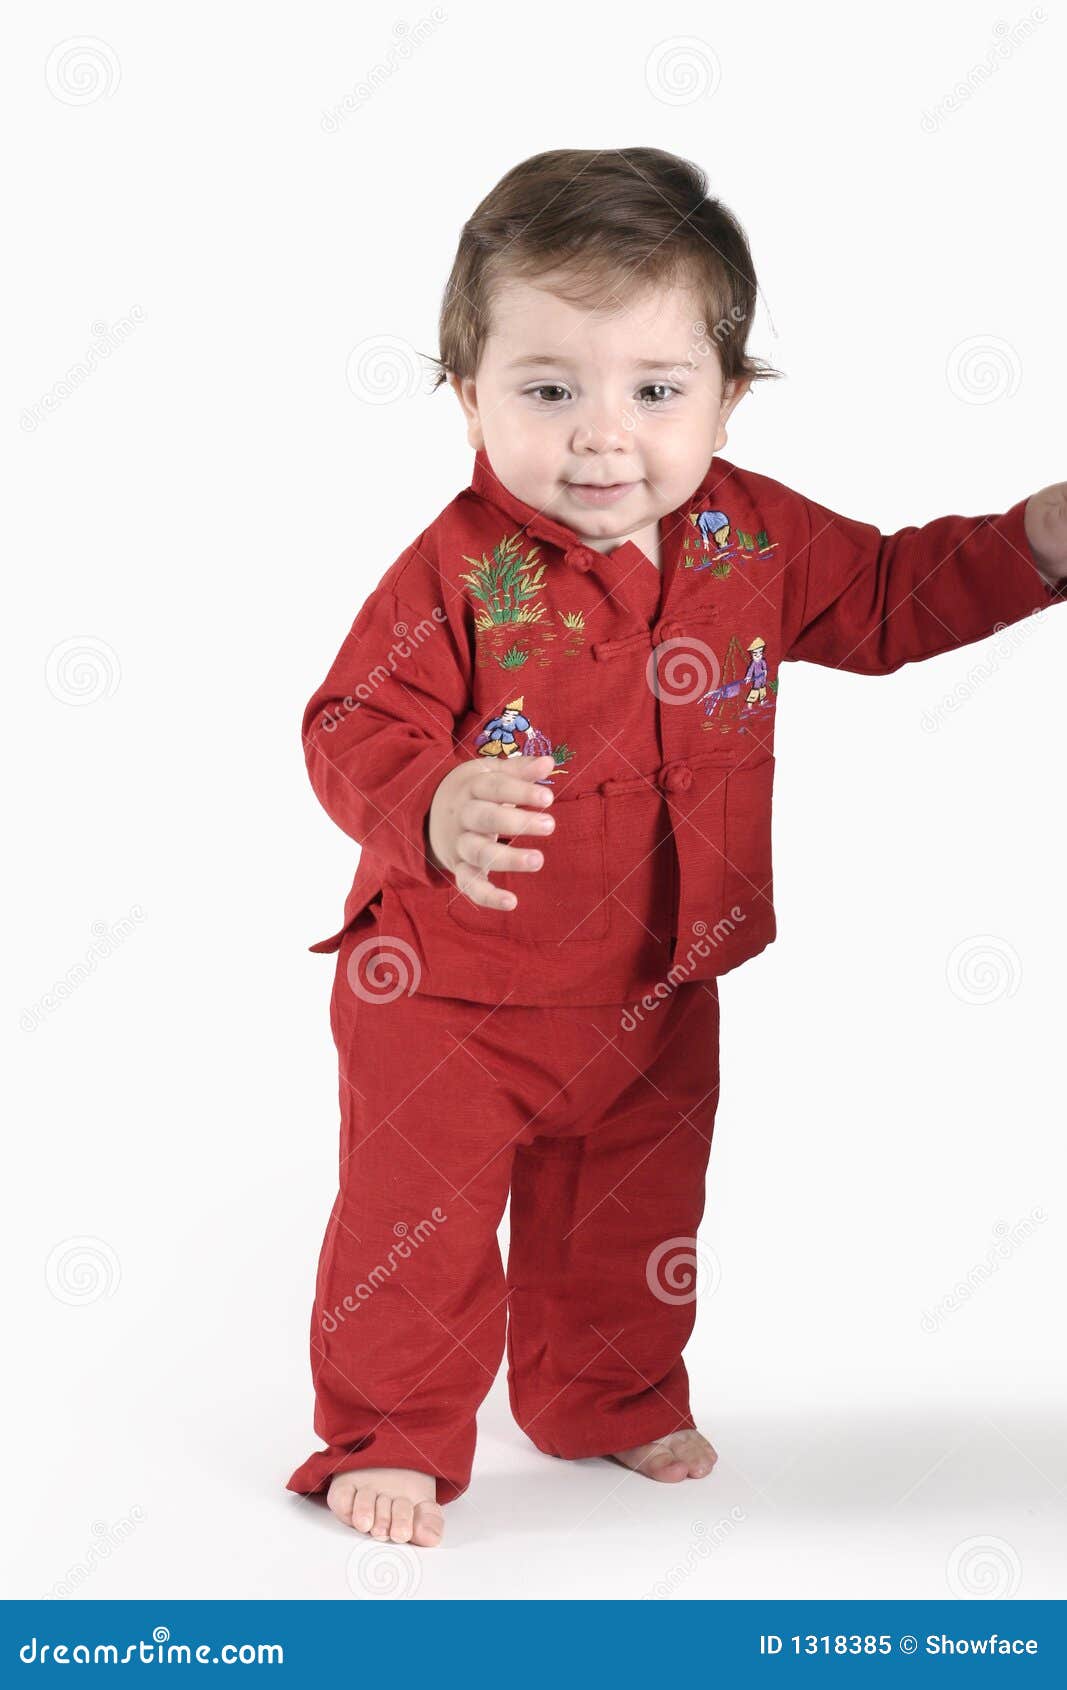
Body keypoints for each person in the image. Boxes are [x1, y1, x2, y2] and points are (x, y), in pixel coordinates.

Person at [287, 148, 1067, 1549]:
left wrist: (1034, 545)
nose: (602, 436)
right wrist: (431, 801)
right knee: (423, 1224)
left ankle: (606, 1392)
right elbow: (351, 717)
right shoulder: (464, 571)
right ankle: (392, 1432)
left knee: (632, 1201)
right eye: (547, 389)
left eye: (656, 390)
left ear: (727, 397)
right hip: (452, 995)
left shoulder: (750, 535)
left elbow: (891, 596)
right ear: (467, 394)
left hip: (658, 978)